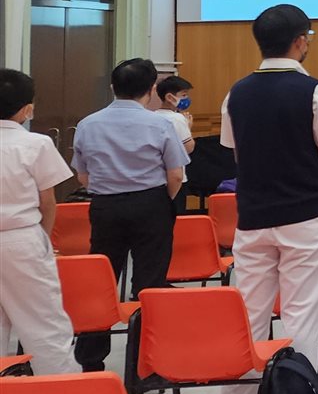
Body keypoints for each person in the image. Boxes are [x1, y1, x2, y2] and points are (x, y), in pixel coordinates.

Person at [218, 5, 318, 394]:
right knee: (301, 317)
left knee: (248, 317)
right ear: (300, 41)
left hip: (253, 218)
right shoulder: (315, 91)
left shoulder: (235, 92)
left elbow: (239, 154)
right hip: (306, 217)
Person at [70, 58, 189, 371]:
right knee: (149, 284)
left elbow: (82, 177)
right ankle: (143, 366)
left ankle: (91, 360)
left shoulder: (88, 124)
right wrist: (160, 202)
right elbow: (175, 175)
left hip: (105, 206)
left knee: (102, 279)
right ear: (151, 90)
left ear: (112, 87)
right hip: (151, 204)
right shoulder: (160, 124)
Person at [0, 69, 79, 376]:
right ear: (27, 108)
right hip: (22, 238)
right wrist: (42, 239)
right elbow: (48, 201)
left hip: (19, 237)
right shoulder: (35, 143)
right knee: (45, 328)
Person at [154, 74, 196, 155]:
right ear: (169, 97)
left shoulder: (153, 115)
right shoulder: (177, 118)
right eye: (184, 95)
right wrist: (188, 128)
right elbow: (189, 148)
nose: (187, 98)